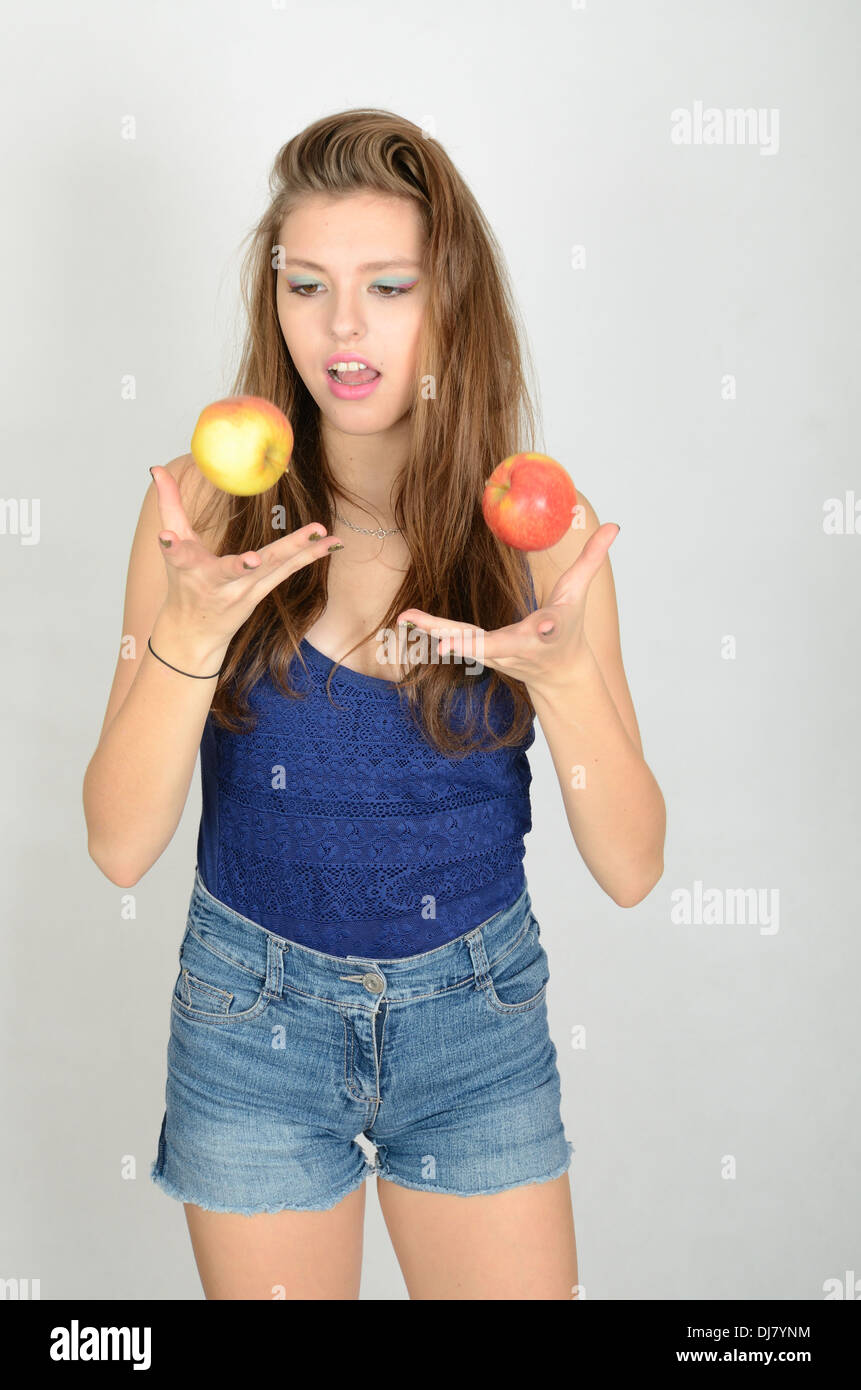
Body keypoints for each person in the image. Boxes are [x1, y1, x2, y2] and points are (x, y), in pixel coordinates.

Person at [83, 108, 666, 1300]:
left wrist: (563, 684)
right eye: (308, 285)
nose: (342, 327)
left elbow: (633, 865)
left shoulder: (540, 529)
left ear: (450, 302)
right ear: (275, 297)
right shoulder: (202, 513)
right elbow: (119, 845)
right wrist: (189, 637)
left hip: (476, 1021)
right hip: (249, 1019)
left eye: (388, 286)